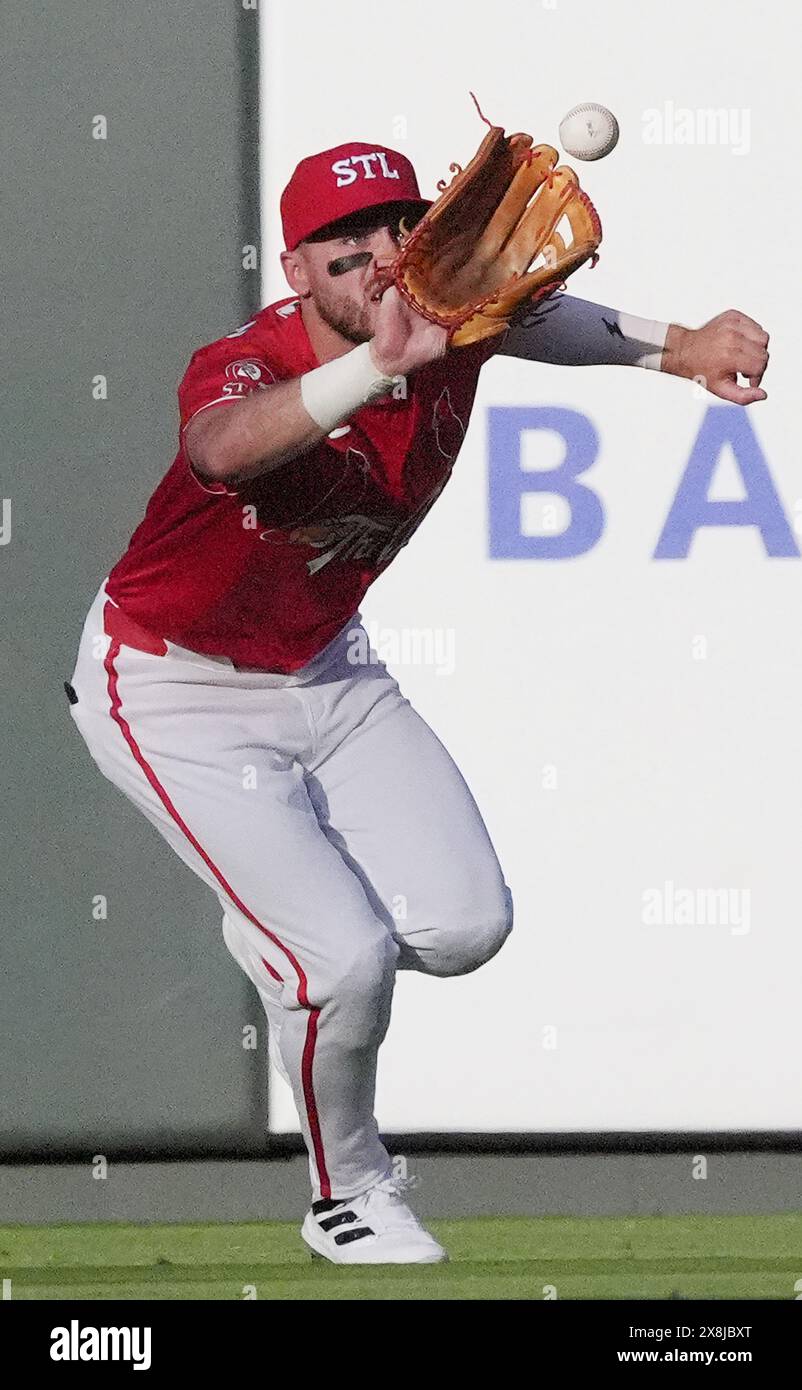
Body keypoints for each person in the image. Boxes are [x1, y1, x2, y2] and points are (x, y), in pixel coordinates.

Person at [66, 138, 769, 1264]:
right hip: (169, 684)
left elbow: (544, 321)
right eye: (348, 255)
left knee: (462, 926)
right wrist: (374, 367)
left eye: (402, 232)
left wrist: (672, 348)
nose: (383, 266)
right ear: (296, 272)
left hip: (326, 667)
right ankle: (347, 1192)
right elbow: (222, 447)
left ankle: (284, 932)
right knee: (339, 961)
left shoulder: (455, 320)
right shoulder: (246, 361)